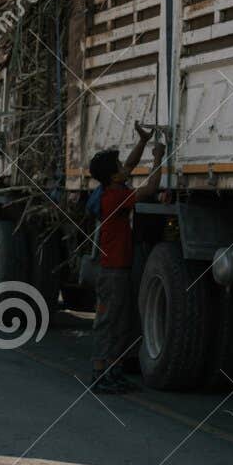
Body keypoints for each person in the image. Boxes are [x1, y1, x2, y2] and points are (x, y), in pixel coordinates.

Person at [88, 123, 165, 395]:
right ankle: (100, 374)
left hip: (116, 269)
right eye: (119, 166)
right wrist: (158, 157)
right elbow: (151, 187)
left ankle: (112, 371)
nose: (125, 167)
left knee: (120, 323)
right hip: (113, 272)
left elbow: (130, 166)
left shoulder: (110, 189)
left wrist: (143, 142)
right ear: (112, 177)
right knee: (109, 323)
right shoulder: (115, 197)